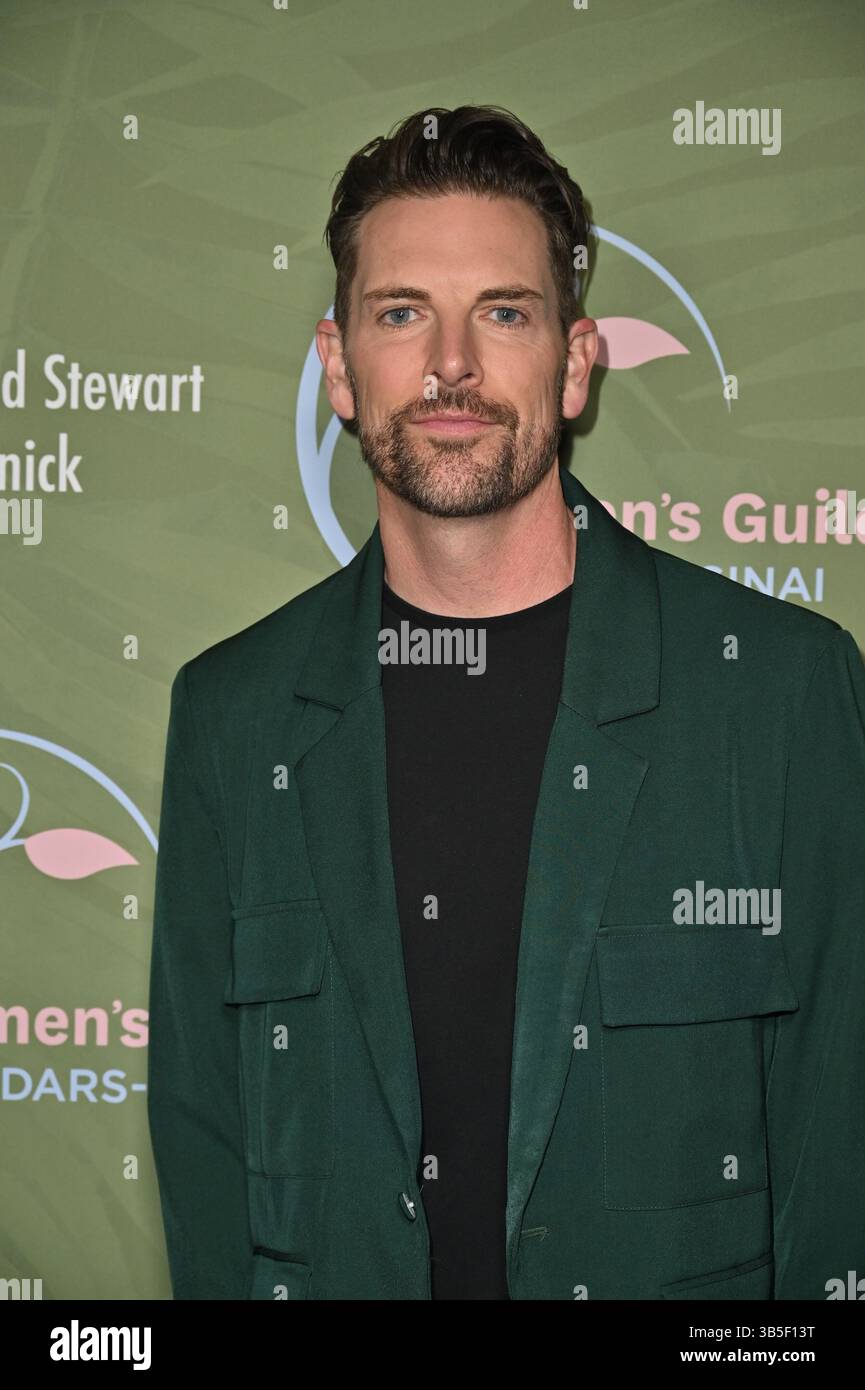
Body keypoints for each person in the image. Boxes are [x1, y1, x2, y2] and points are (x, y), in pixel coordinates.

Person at [147, 104, 865, 1300]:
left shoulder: (783, 692)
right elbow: (206, 1151)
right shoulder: (234, 716)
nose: (450, 367)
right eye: (400, 314)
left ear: (578, 362)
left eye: (505, 312)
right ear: (337, 366)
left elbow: (842, 1163)